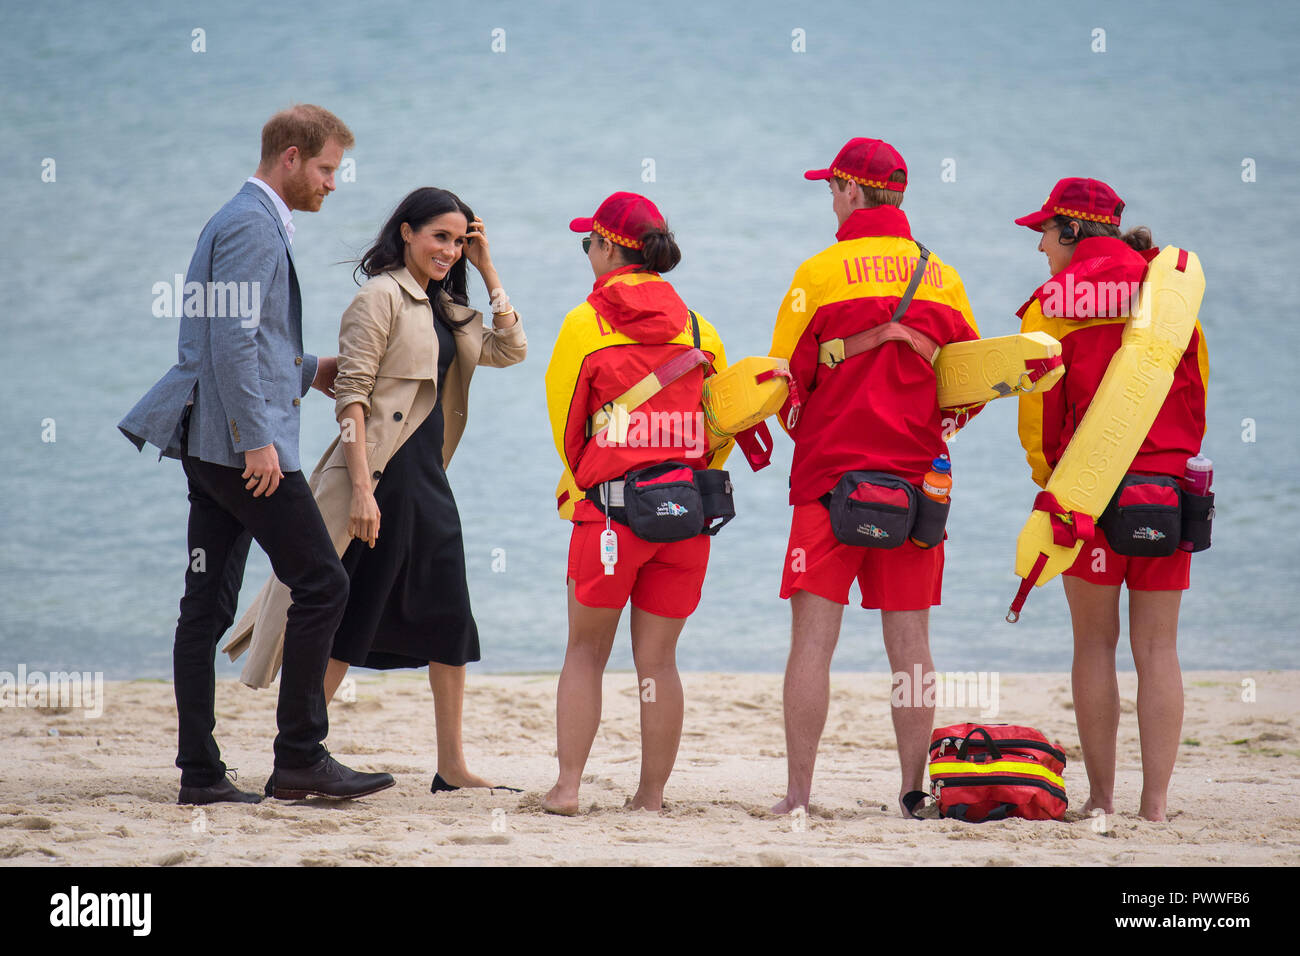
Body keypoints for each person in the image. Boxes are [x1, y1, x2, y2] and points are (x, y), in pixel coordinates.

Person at [118, 104, 394, 804]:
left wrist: (308, 369)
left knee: (205, 606)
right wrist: (257, 441)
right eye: (328, 168)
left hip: (209, 445)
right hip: (239, 450)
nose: (335, 183)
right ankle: (300, 757)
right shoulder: (251, 224)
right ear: (292, 157)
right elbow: (229, 344)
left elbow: (246, 340)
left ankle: (200, 774)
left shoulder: (245, 219)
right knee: (324, 582)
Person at [226, 187, 527, 795]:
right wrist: (362, 489)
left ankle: (452, 766)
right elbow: (351, 397)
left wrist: (488, 268)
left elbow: (510, 349)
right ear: (408, 232)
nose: (448, 249)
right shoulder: (379, 296)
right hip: (381, 479)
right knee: (353, 614)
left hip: (430, 482)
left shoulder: (446, 307)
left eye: (459, 240)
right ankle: (301, 755)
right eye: (439, 236)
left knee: (449, 617)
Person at [767, 138, 981, 818]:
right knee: (911, 644)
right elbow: (973, 387)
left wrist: (820, 426)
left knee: (813, 643)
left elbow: (782, 384)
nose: (830, 201)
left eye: (832, 188)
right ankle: (913, 793)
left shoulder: (819, 272)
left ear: (853, 191)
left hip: (829, 481)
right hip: (916, 488)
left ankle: (799, 797)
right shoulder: (942, 276)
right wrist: (922, 428)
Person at [1013, 178, 1209, 822]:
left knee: (1093, 646)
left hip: (1089, 494)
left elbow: (1037, 423)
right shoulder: (1171, 295)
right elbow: (1194, 395)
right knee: (1159, 649)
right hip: (1167, 492)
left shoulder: (1052, 303)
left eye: (1045, 231)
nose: (1040, 247)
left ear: (1072, 230)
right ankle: (1153, 807)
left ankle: (1101, 799)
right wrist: (1170, 463)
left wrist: (1057, 484)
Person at [542, 192, 732, 815]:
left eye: (587, 244)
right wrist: (682, 481)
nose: (585, 255)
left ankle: (568, 789)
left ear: (609, 248)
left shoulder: (584, 325)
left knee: (584, 652)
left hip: (609, 516)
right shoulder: (702, 329)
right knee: (659, 662)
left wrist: (593, 478)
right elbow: (718, 429)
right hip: (685, 517)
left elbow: (566, 429)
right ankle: (650, 797)